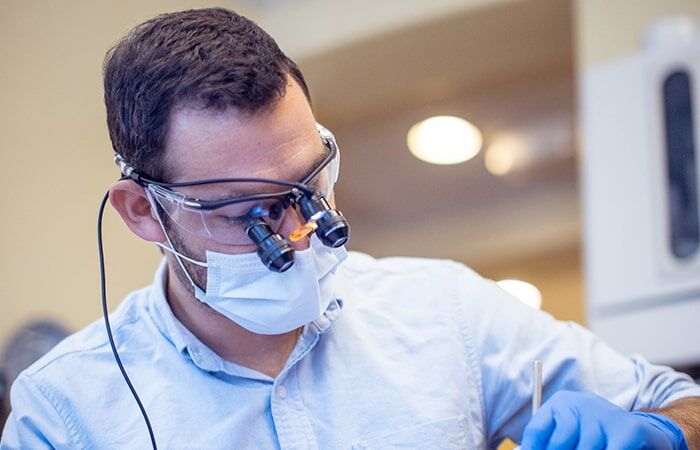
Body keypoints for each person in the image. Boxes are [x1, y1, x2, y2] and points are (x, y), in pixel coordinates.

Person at [2, 7, 699, 450]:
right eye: (251, 214)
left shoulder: (448, 312)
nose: (302, 233)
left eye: (311, 185)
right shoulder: (64, 411)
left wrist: (661, 432)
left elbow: (684, 404)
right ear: (142, 211)